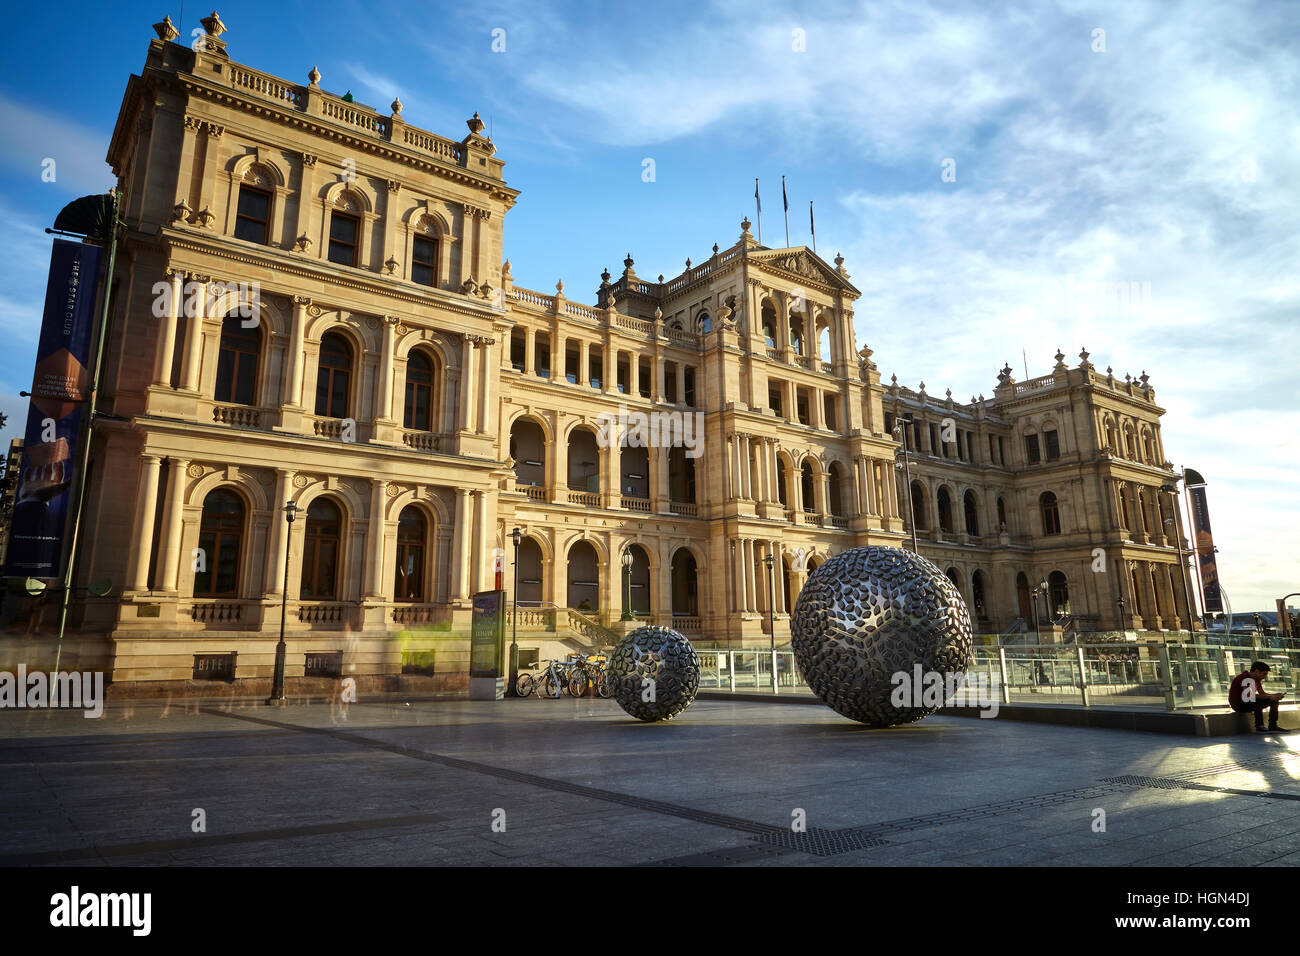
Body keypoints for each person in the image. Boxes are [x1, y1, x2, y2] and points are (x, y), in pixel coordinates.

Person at [1228, 661, 1286, 732]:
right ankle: (1259, 726)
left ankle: (1273, 725)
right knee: (1257, 701)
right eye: (1264, 674)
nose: (1265, 676)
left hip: (1247, 702)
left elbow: (1262, 694)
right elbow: (1249, 695)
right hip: (1239, 704)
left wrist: (1274, 696)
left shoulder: (1256, 679)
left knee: (1273, 701)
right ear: (1256, 671)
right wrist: (1270, 697)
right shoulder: (1245, 678)